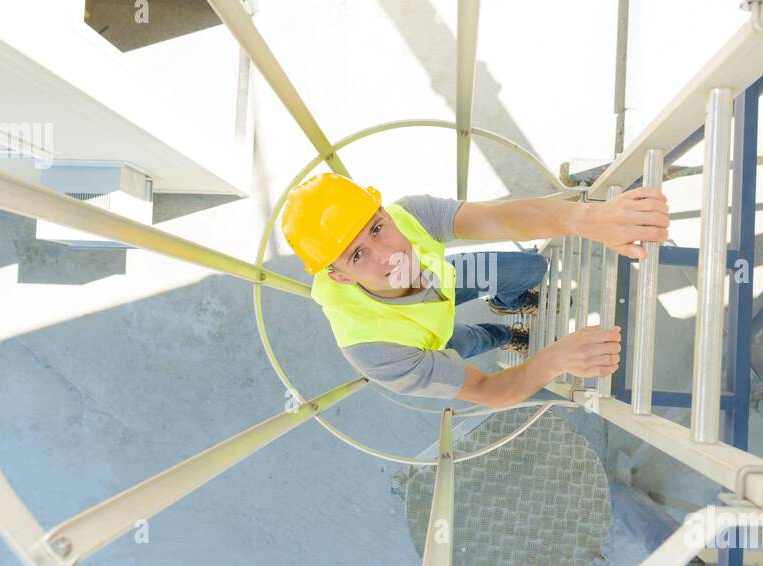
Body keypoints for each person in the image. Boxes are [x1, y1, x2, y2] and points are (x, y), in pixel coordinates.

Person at [279, 173, 669, 407]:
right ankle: (506, 334)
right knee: (472, 340)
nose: (391, 255)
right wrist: (555, 360)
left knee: (530, 267)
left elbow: (499, 217)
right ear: (340, 277)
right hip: (430, 338)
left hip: (444, 278)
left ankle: (508, 302)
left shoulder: (409, 214)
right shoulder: (377, 353)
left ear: (383, 214)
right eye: (359, 255)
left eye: (378, 229)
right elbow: (484, 389)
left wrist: (587, 218)